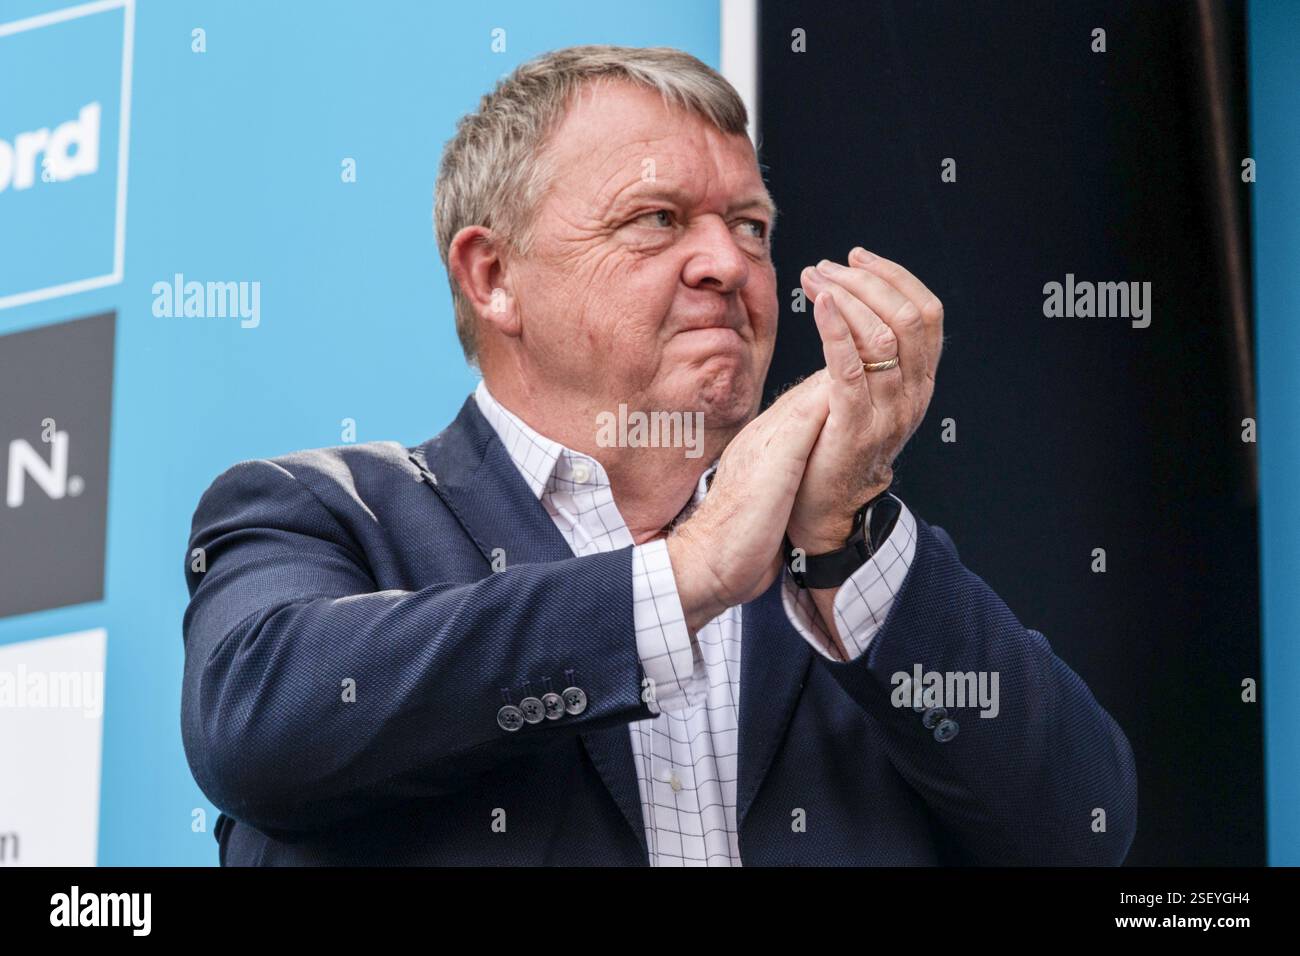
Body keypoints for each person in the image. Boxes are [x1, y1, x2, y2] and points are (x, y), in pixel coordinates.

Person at [181, 45, 1137, 866]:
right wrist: (683, 578)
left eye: (752, 227)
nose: (727, 263)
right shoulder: (328, 508)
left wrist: (846, 544)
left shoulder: (844, 573)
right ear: (493, 276)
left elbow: (1085, 827)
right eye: (659, 220)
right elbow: (259, 721)